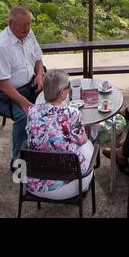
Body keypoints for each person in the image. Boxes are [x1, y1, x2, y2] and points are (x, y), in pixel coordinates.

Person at [0, 5, 44, 160]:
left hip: (28, 84)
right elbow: (3, 84)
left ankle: (43, 145)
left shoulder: (29, 35)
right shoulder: (1, 46)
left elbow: (38, 58)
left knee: (53, 99)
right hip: (1, 94)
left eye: (29, 23)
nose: (27, 28)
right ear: (10, 24)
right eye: (23, 25)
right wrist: (24, 102)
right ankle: (19, 158)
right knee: (24, 116)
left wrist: (39, 76)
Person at [22, 69, 95, 199]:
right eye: (68, 86)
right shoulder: (72, 113)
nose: (69, 89)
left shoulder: (32, 111)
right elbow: (82, 140)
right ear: (62, 93)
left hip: (32, 184)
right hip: (63, 187)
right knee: (88, 145)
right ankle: (84, 188)